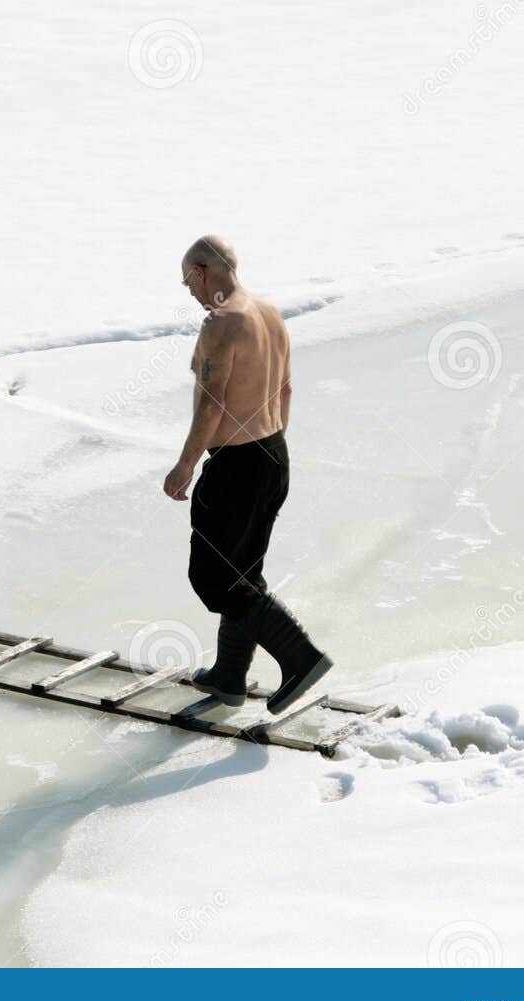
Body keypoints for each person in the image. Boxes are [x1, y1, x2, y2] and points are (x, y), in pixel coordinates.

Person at [162, 235, 332, 713]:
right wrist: (266, 449)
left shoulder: (221, 323)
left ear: (201, 271)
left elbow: (213, 405)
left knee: (215, 579)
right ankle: (229, 676)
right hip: (273, 454)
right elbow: (286, 390)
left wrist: (186, 464)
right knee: (242, 572)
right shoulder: (269, 313)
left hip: (238, 465)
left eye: (186, 280)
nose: (188, 291)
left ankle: (301, 658)